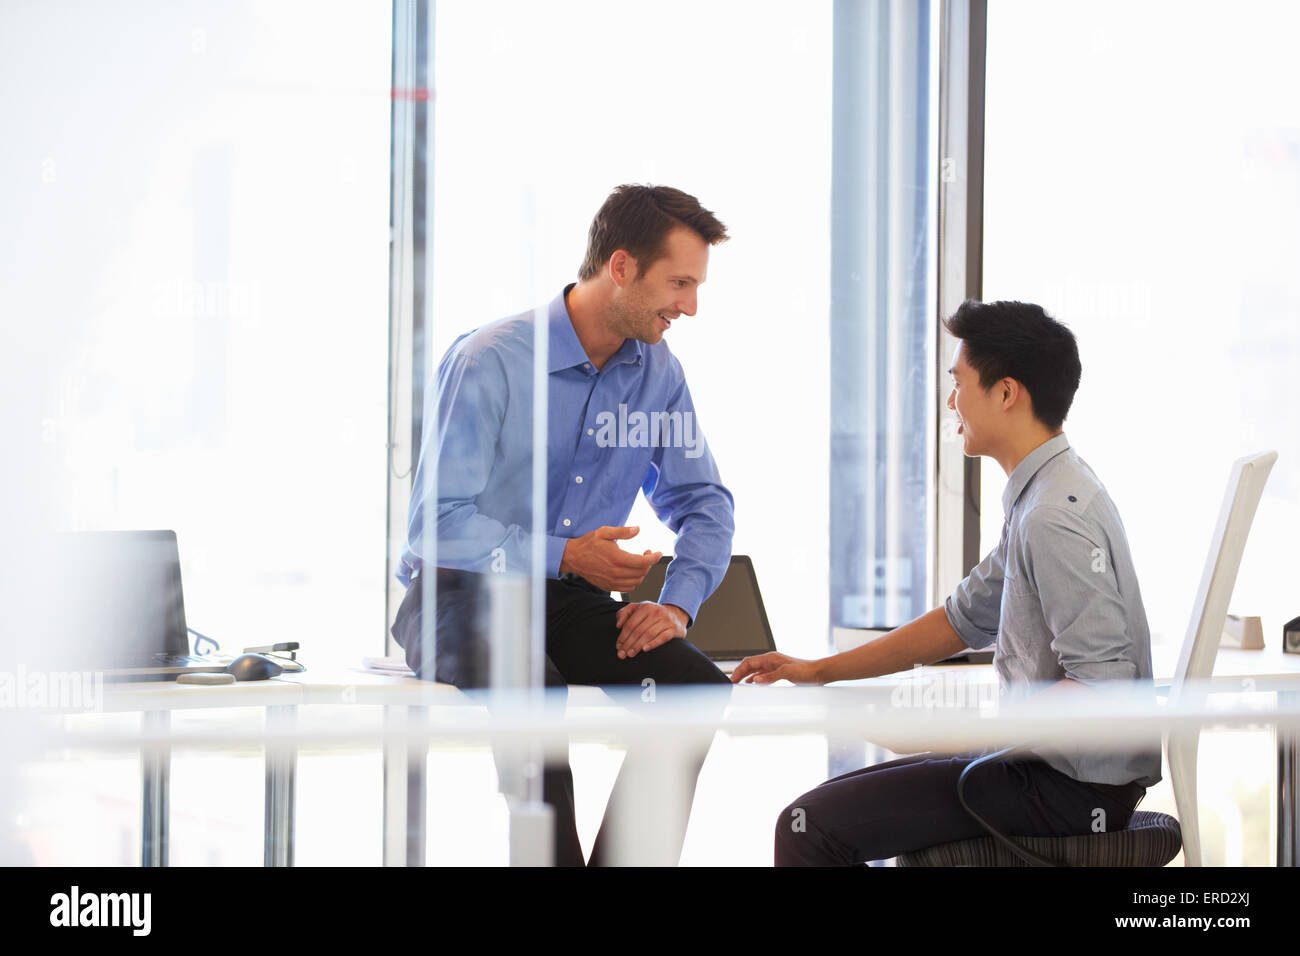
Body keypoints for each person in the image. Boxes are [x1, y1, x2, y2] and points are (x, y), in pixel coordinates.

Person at [732, 299, 1162, 866]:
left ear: (1006, 393)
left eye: (958, 384)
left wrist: (963, 731)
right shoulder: (1044, 494)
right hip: (1045, 771)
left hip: (1068, 790)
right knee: (821, 816)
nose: (951, 400)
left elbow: (1102, 686)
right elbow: (959, 620)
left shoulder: (1053, 515)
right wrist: (820, 671)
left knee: (806, 829)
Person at [391, 184, 735, 866]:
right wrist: (566, 556)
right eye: (679, 282)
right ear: (620, 267)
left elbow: (706, 504)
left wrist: (677, 608)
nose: (690, 306)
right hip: (457, 595)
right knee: (533, 690)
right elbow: (433, 525)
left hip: (564, 601)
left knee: (695, 691)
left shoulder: (657, 374)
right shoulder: (489, 360)